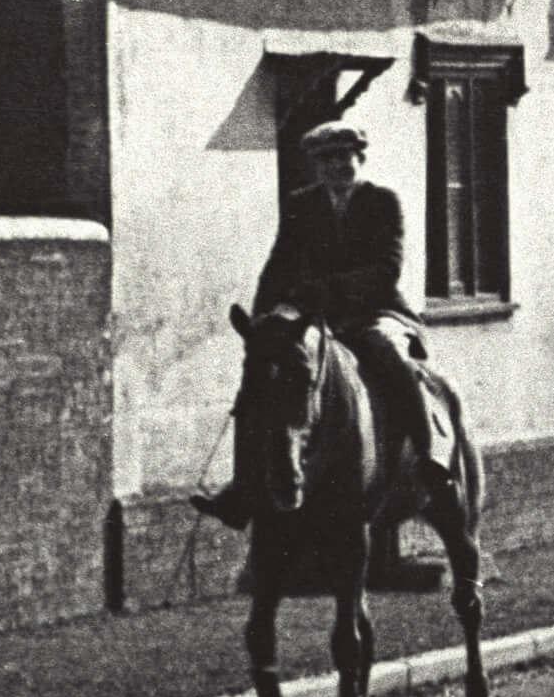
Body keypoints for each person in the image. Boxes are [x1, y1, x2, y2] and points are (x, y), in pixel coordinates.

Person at [195, 122, 459, 529]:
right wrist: (265, 321)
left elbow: (386, 270)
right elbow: (278, 264)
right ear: (317, 167)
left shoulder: (382, 202)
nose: (337, 167)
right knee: (264, 375)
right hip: (315, 318)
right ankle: (243, 487)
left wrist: (328, 290)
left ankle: (431, 459)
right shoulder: (301, 204)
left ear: (360, 158)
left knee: (392, 357)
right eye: (327, 161)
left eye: (345, 158)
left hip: (374, 311)